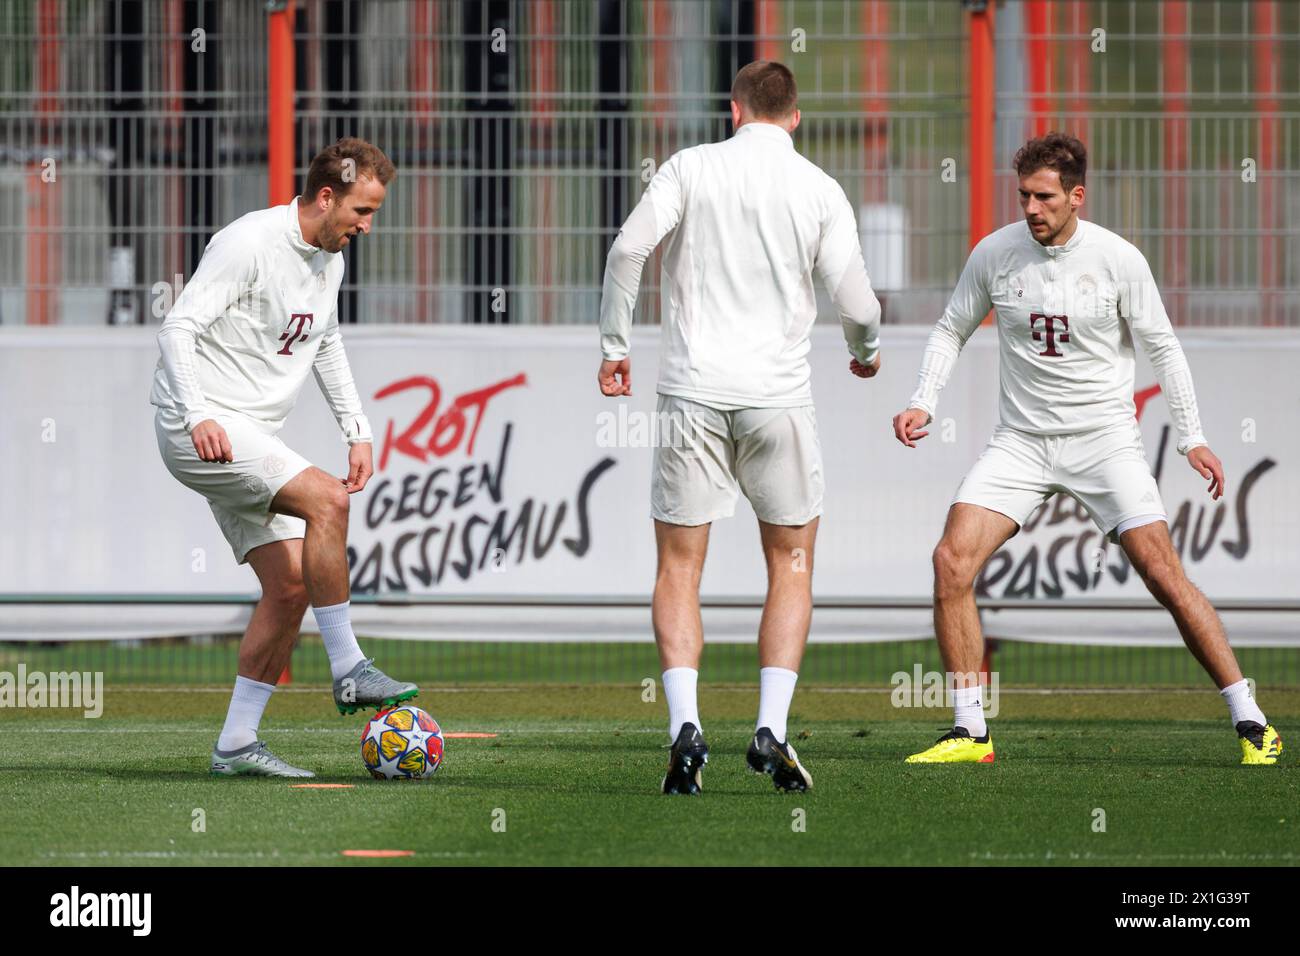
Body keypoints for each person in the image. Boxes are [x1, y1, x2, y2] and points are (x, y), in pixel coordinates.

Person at [892, 132, 1281, 767]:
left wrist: (1194, 438)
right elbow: (949, 328)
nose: (1031, 208)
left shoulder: (1118, 259)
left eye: (1044, 197)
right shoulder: (995, 255)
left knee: (1164, 576)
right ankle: (970, 733)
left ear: (1077, 196)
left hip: (1105, 443)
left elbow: (1165, 349)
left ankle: (1251, 720)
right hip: (1020, 444)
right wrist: (922, 400)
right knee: (950, 562)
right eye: (1023, 195)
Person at [597, 61, 883, 794]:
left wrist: (614, 347)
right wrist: (865, 353)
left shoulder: (690, 167)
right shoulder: (819, 188)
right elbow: (860, 303)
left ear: (734, 110)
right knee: (790, 563)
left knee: (678, 569)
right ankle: (773, 728)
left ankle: (685, 726)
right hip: (778, 400)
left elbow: (629, 248)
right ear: (795, 116)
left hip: (692, 393)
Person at [151, 137, 418, 778]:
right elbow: (177, 328)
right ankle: (350, 668)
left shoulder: (329, 259)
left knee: (292, 583)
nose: (366, 226)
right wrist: (198, 416)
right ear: (327, 197)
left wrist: (358, 429)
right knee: (328, 498)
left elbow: (324, 342)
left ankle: (236, 743)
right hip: (200, 428)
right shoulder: (249, 242)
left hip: (246, 435)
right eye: (362, 210)